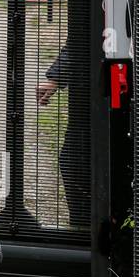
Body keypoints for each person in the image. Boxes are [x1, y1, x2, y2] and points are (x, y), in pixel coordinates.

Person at [37, 44, 90, 227]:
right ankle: (84, 231)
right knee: (72, 162)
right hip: (90, 96)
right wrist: (56, 78)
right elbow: (80, 37)